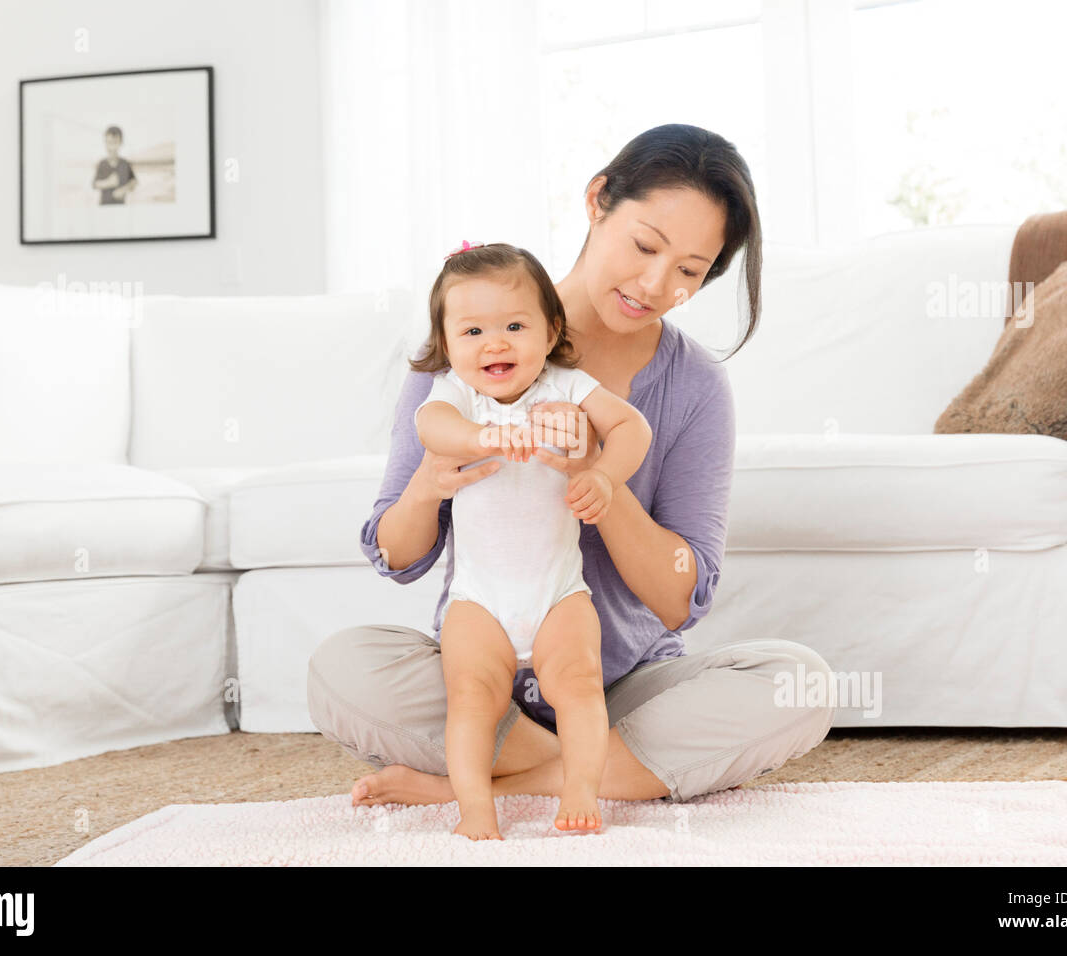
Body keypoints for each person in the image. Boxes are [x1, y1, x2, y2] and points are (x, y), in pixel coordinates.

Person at [308, 123, 836, 815]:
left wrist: (597, 471)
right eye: (645, 245)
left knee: (800, 684)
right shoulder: (469, 345)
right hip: (480, 676)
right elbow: (396, 556)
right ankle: (598, 768)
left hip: (626, 688)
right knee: (342, 671)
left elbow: (683, 596)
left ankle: (476, 782)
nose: (654, 284)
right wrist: (431, 478)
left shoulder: (694, 388)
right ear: (598, 200)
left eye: (689, 271)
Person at [413, 241, 652, 838]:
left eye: (515, 325)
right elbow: (430, 426)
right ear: (447, 345)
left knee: (577, 684)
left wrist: (601, 474)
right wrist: (481, 440)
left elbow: (631, 426)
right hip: (479, 600)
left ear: (549, 333)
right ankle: (475, 810)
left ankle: (578, 789)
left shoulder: (567, 388)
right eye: (472, 331)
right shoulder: (457, 398)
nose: (495, 343)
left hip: (558, 595)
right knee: (470, 698)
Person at [93, 125, 137, 205]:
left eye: (115, 142)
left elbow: (134, 182)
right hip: (104, 207)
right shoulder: (102, 164)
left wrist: (124, 189)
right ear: (105, 143)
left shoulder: (125, 164)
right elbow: (95, 184)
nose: (112, 147)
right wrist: (108, 183)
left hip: (121, 208)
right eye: (109, 142)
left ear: (121, 143)